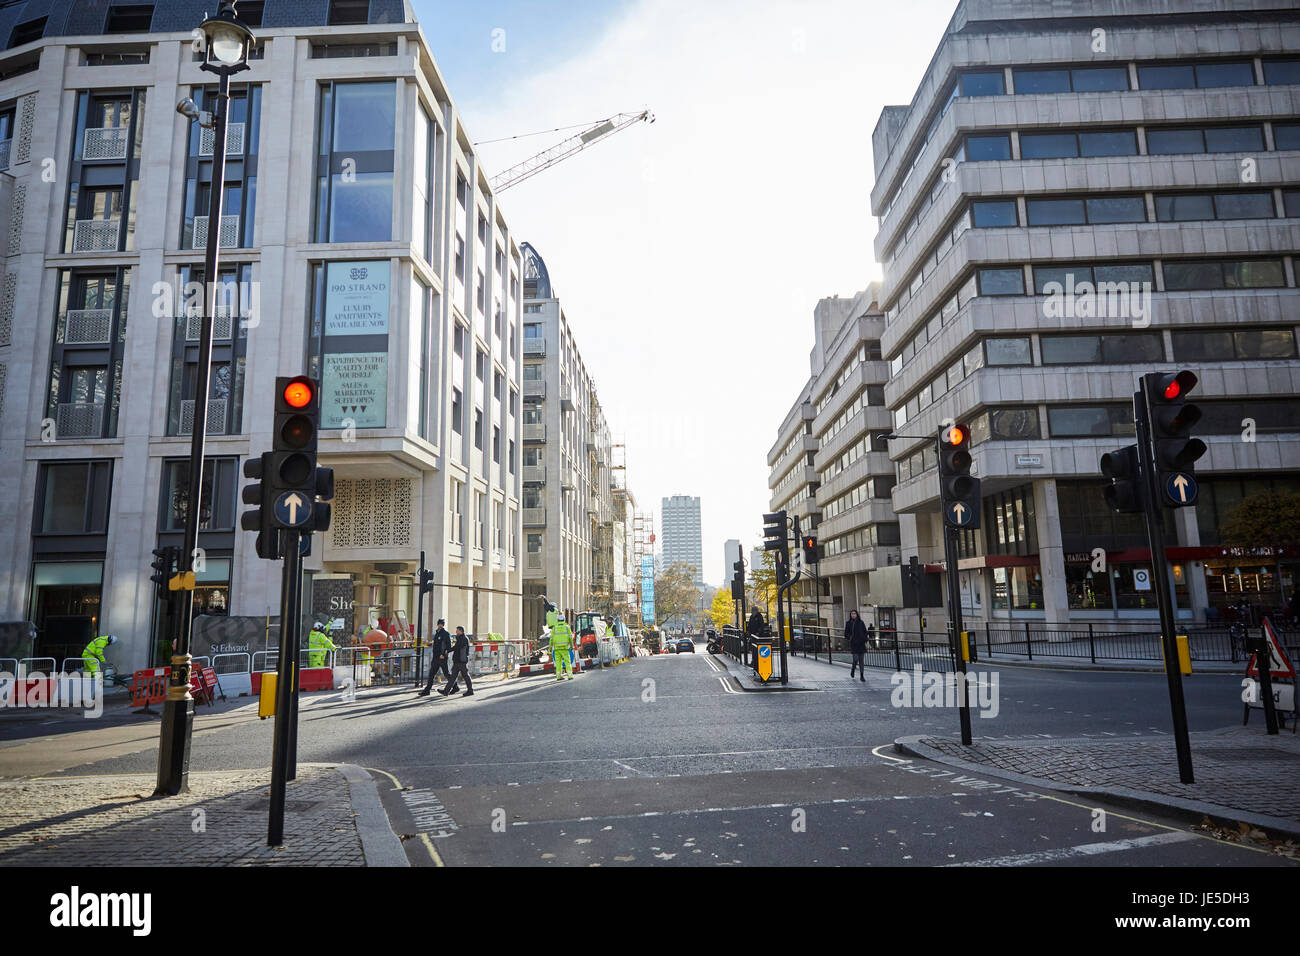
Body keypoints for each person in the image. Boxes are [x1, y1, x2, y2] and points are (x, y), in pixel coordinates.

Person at [417, 619, 453, 696]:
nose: (440, 625)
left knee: (446, 674)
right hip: (436, 657)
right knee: (431, 674)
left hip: (442, 657)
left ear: (443, 625)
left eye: (441, 624)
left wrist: (443, 654)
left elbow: (448, 646)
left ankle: (455, 686)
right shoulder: (437, 633)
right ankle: (427, 690)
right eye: (439, 624)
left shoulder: (446, 634)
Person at [440, 627, 474, 697]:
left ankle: (470, 690)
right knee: (453, 677)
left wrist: (448, 651)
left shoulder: (463, 639)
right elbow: (457, 648)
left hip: (461, 661)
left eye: (457, 630)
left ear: (461, 631)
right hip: (457, 661)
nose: (456, 632)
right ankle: (446, 691)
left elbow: (457, 648)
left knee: (465, 676)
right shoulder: (460, 638)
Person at [846, 611, 869, 681]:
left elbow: (865, 631)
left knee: (861, 660)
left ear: (857, 614)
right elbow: (846, 633)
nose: (853, 615)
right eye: (852, 614)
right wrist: (850, 638)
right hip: (854, 644)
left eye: (854, 614)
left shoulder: (861, 622)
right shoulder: (848, 623)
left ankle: (862, 676)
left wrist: (865, 639)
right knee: (855, 659)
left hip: (861, 643)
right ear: (850, 615)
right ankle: (853, 669)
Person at [550, 613, 574, 680]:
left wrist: (550, 648)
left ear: (557, 620)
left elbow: (551, 639)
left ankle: (558, 676)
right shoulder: (567, 627)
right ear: (564, 620)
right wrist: (571, 646)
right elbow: (570, 637)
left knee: (558, 663)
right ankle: (570, 676)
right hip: (565, 648)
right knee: (567, 662)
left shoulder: (554, 628)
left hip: (556, 649)